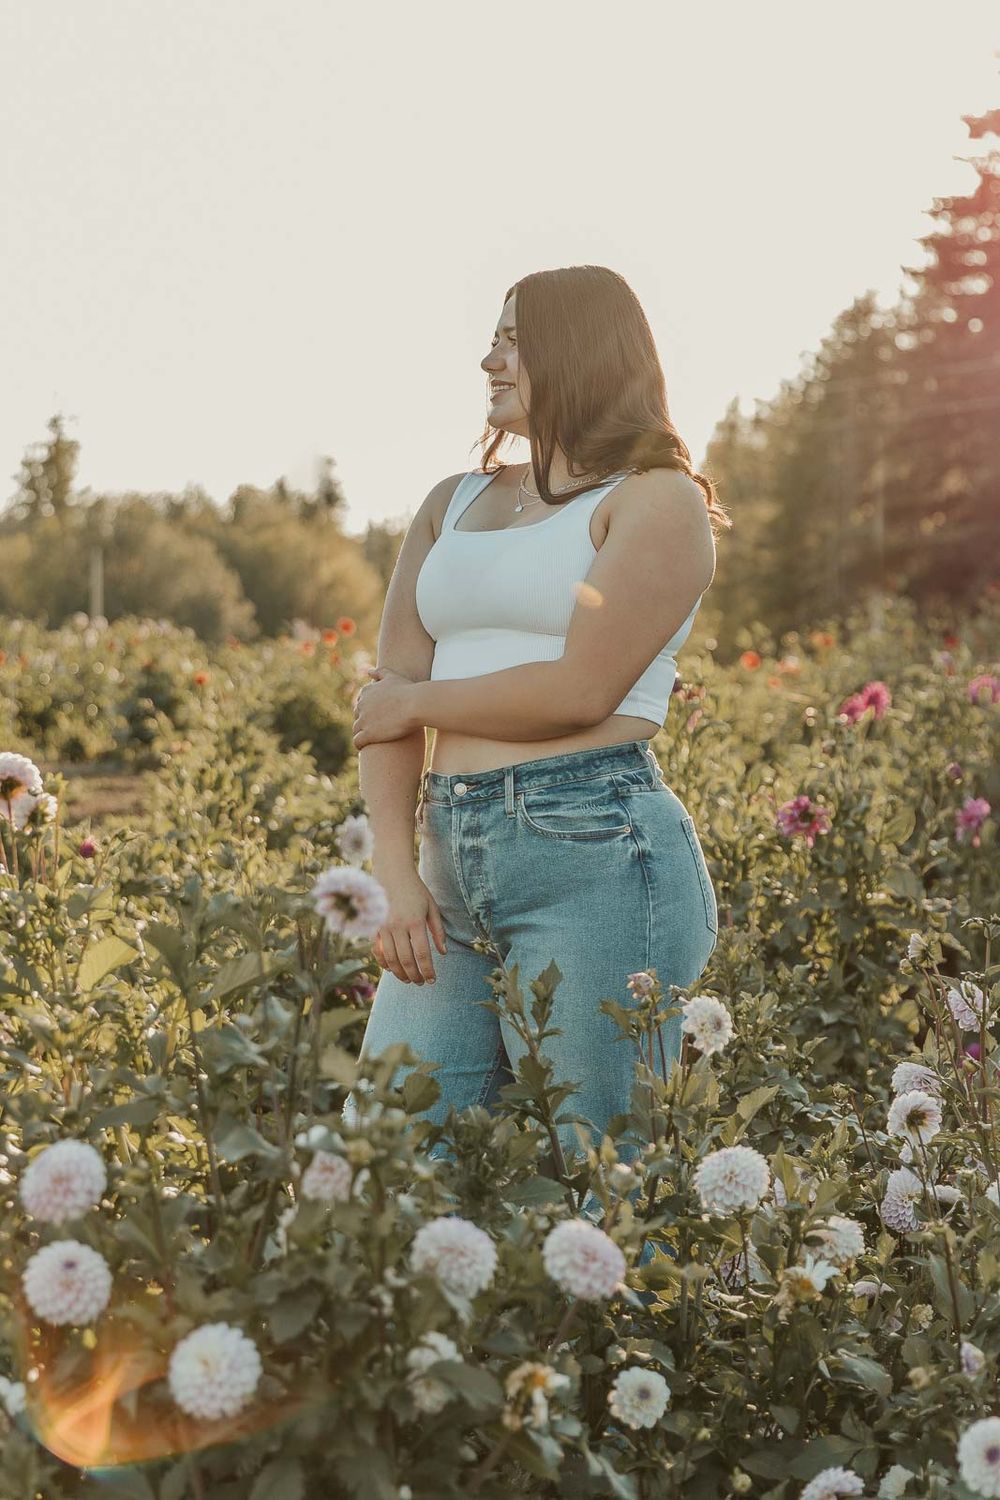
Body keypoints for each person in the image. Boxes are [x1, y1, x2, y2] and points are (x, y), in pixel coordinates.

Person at [347, 265, 731, 1181]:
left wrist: (415, 703)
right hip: (448, 857)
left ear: (579, 352)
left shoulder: (656, 501)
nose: (490, 358)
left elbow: (579, 690)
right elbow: (386, 698)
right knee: (384, 1160)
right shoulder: (451, 502)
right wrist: (397, 880)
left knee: (608, 1173)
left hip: (595, 850)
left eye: (513, 339)